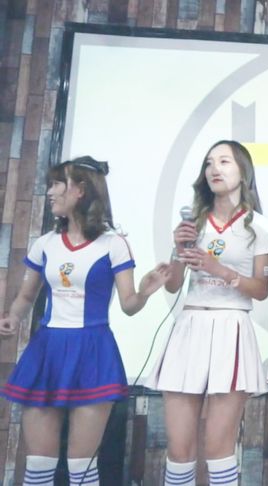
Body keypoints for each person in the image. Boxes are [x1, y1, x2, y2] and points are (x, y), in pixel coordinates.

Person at [0, 157, 169, 486]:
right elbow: (26, 296)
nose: (50, 192)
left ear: (80, 190)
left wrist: (145, 291)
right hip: (47, 350)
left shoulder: (113, 244)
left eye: (56, 184)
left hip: (92, 350)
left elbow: (129, 305)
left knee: (81, 467)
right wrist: (12, 318)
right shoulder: (45, 243)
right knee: (38, 465)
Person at [146, 141, 268, 486]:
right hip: (190, 325)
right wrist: (178, 248)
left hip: (231, 326)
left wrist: (219, 269)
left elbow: (262, 289)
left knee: (218, 448)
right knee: (179, 448)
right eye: (209, 163)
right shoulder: (194, 223)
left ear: (243, 172)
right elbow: (174, 285)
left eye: (224, 161)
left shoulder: (260, 226)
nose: (215, 169)